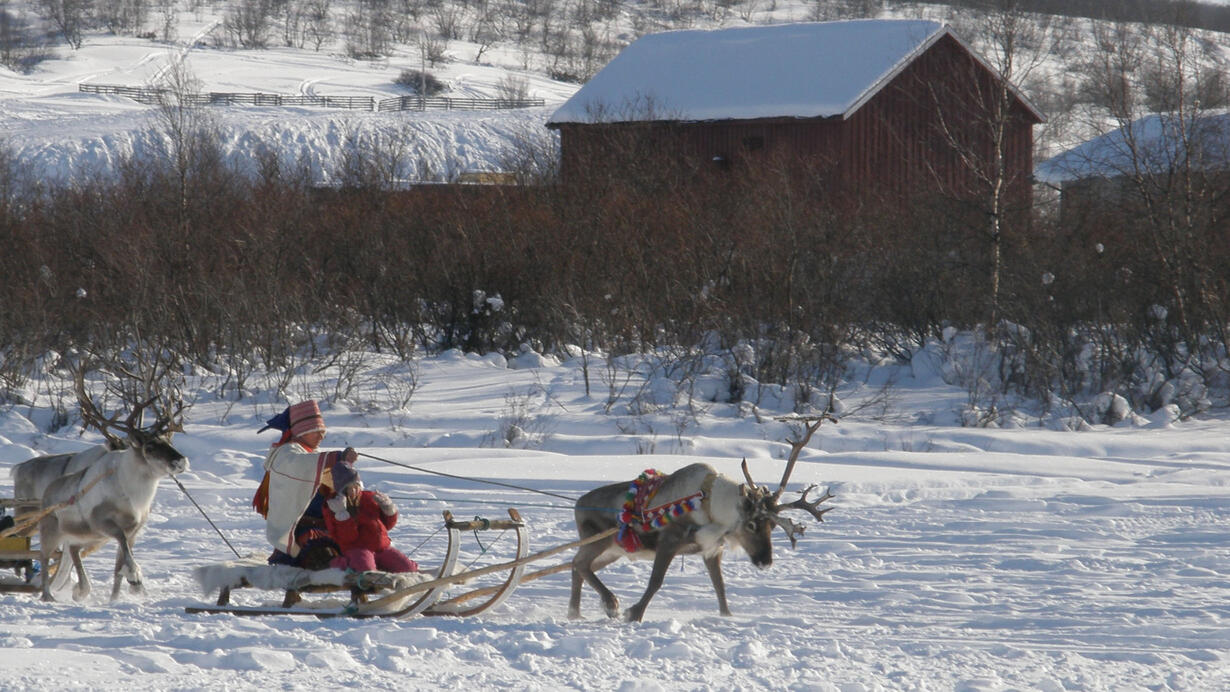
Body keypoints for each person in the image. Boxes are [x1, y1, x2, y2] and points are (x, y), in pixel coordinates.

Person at [252, 400, 357, 565]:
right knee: (321, 554)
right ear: (301, 432)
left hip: (321, 520)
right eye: (315, 431)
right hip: (300, 524)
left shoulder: (310, 453)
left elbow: (317, 468)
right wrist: (337, 457)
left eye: (322, 432)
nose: (321, 436)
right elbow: (300, 463)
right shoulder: (286, 452)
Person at [324, 462, 418, 573]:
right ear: (342, 490)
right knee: (366, 571)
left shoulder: (369, 497)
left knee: (408, 569)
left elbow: (387, 525)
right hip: (357, 549)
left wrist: (388, 510)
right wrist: (342, 514)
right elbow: (348, 538)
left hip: (381, 547)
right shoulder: (333, 506)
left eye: (356, 486)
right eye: (349, 488)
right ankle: (342, 564)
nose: (354, 491)